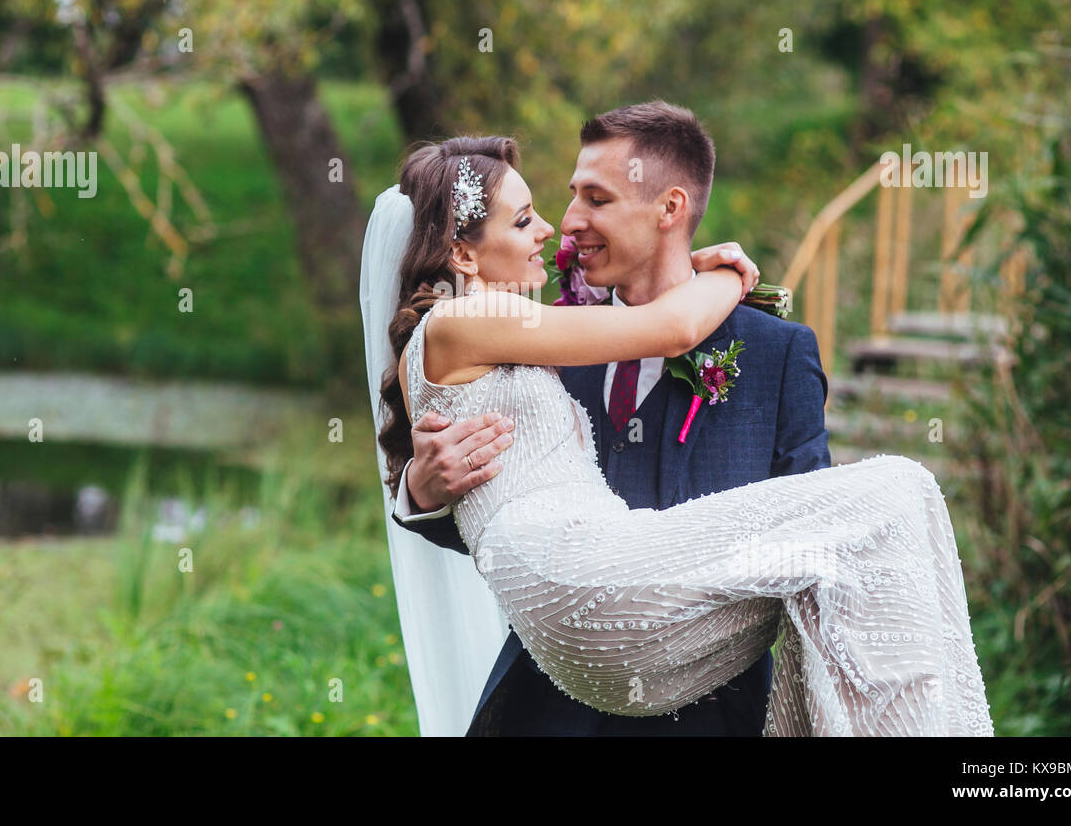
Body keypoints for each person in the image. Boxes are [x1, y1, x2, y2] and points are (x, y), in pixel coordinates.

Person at [362, 120, 994, 736]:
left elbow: (809, 524)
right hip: (562, 690)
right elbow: (673, 330)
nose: (565, 223)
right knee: (897, 492)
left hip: (707, 695)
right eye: (533, 214)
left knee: (886, 506)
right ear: (462, 251)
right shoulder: (534, 338)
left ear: (669, 207)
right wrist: (422, 486)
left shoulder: (775, 351)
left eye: (596, 198)